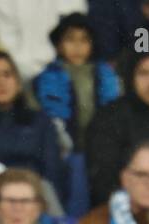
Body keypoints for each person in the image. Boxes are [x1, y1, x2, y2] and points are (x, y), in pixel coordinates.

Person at [84, 50, 149, 205]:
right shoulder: (109, 118)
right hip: (122, 211)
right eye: (145, 74)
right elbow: (103, 178)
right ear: (131, 77)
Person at [0, 52, 67, 201]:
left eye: (7, 75)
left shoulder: (40, 122)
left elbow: (51, 171)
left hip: (33, 196)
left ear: (18, 84)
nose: (1, 82)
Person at [32, 12, 120, 150]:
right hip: (62, 149)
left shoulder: (107, 77)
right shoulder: (44, 80)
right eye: (70, 39)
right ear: (58, 45)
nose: (77, 46)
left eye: (84, 40)